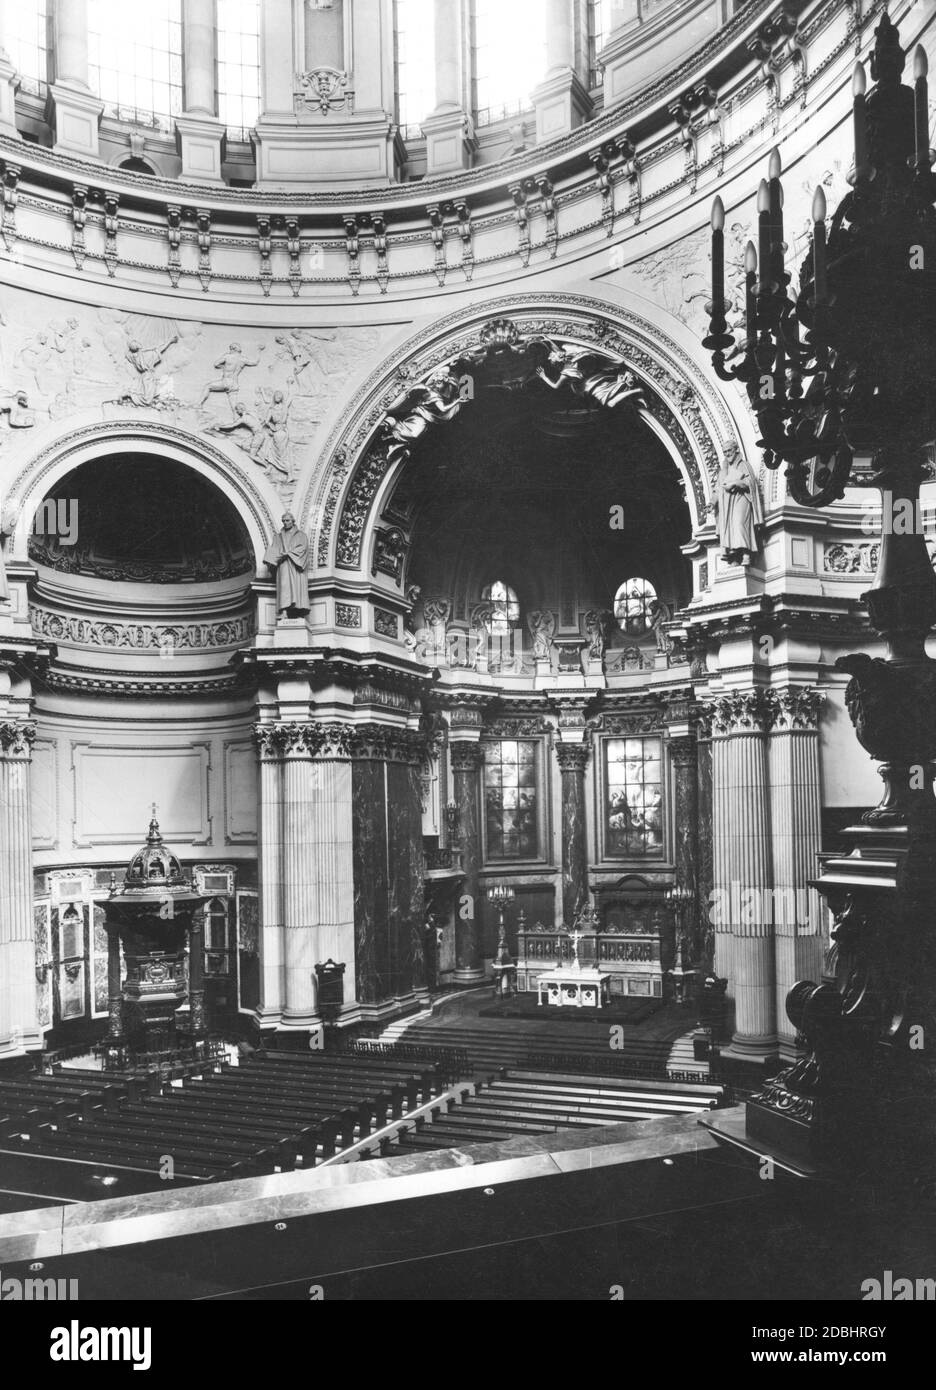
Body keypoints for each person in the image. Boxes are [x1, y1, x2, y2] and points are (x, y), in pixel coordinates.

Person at [717, 442, 764, 564]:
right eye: (725, 452)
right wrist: (712, 503)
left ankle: (746, 554)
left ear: (736, 450)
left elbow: (750, 482)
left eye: (729, 450)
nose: (727, 454)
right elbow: (717, 490)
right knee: (731, 528)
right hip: (727, 504)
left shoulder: (743, 465)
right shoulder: (724, 471)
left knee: (739, 524)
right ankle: (735, 556)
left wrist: (736, 483)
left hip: (741, 498)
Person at [263, 513, 310, 616]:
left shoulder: (301, 535)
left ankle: (297, 612)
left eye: (287, 520)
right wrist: (269, 558)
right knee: (284, 587)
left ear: (293, 521)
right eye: (283, 521)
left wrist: (289, 554)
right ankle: (284, 611)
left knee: (296, 589)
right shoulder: (278, 536)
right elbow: (274, 550)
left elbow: (303, 548)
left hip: (295, 565)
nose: (285, 523)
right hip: (283, 565)